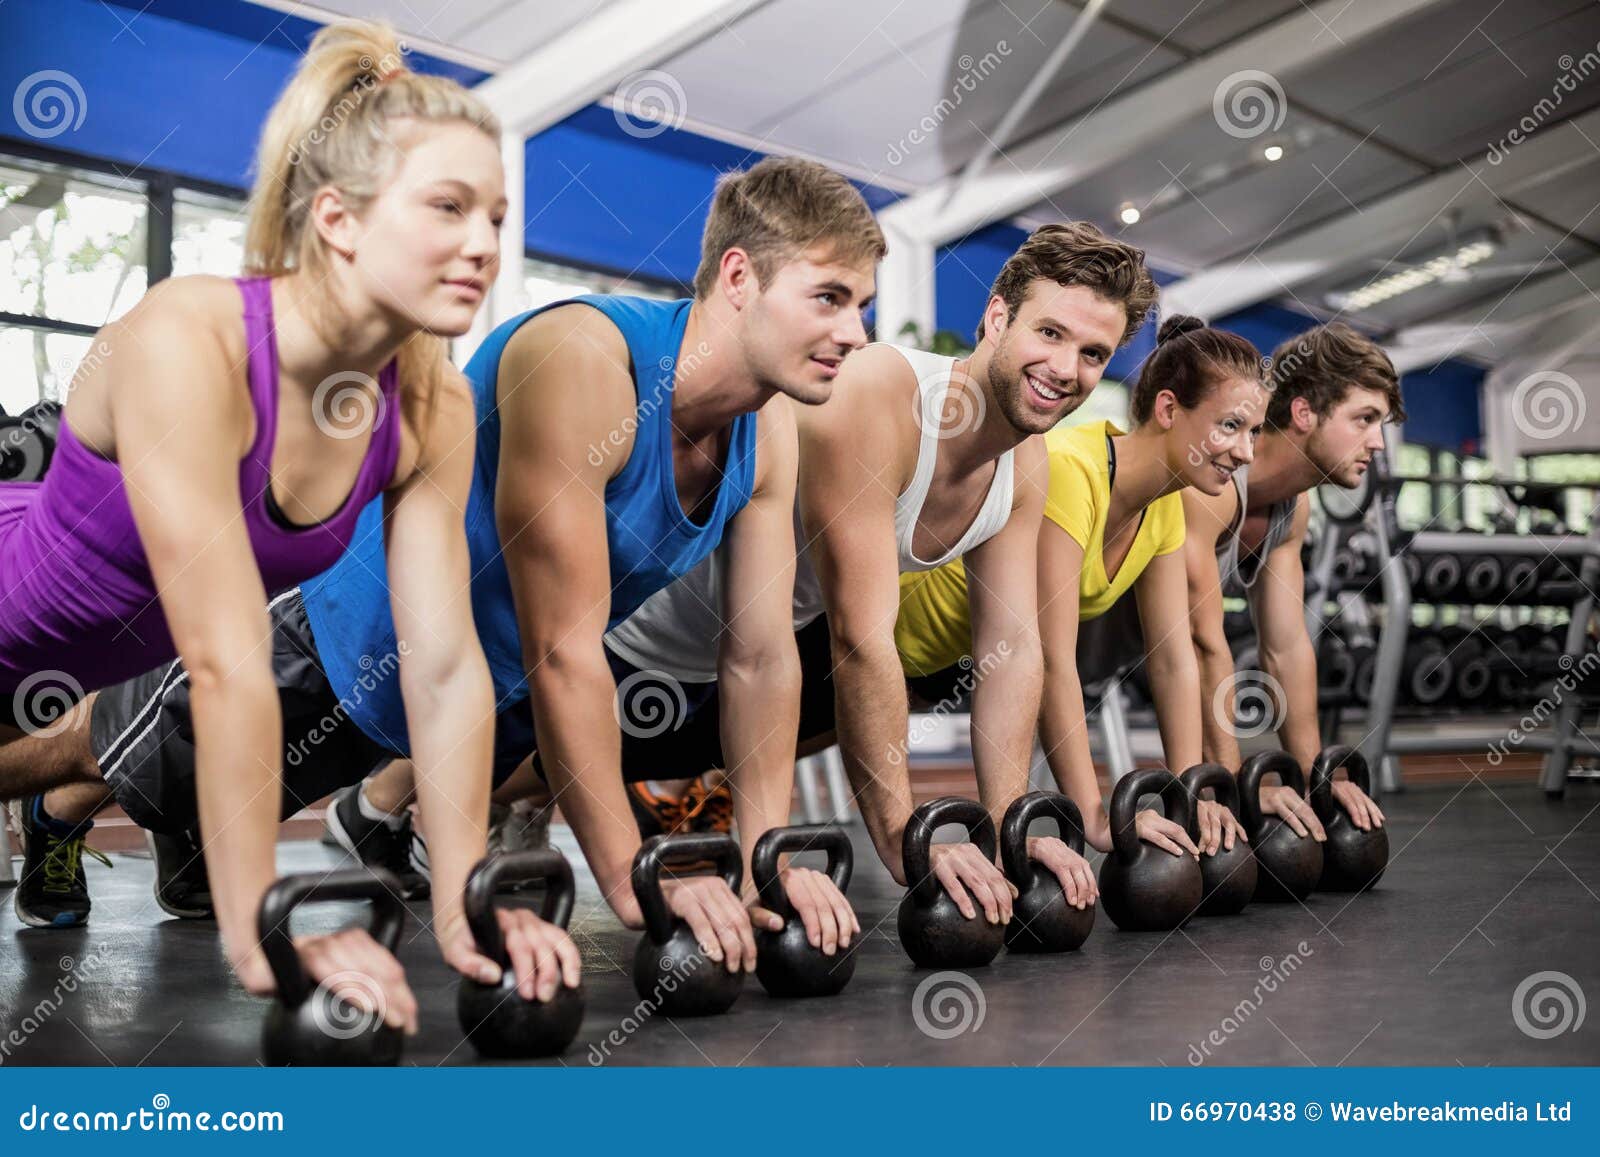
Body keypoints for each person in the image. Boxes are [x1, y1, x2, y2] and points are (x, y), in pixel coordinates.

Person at [2, 156, 882, 979]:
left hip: (465, 706)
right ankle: (51, 809)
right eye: (831, 297)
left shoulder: (766, 435)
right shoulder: (585, 362)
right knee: (90, 754)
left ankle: (123, 817)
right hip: (342, 644)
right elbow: (565, 650)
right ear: (739, 277)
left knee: (185, 800)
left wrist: (768, 861)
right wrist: (630, 879)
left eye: (864, 305)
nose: (855, 332)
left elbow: (761, 658)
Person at [0, 21, 573, 1034]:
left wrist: (463, 905)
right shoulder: (197, 338)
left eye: (494, 213)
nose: (484, 243)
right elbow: (226, 665)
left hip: (61, 669)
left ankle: (46, 816)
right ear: (338, 219)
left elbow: (441, 668)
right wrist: (262, 919)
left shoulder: (427, 408)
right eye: (447, 207)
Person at [580, 222, 1160, 926]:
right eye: (1050, 333)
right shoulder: (885, 392)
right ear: (997, 316)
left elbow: (1010, 649)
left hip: (746, 675)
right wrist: (903, 833)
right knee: (455, 776)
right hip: (630, 647)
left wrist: (1010, 828)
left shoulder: (1025, 463)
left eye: (1093, 353)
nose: (1067, 368)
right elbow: (861, 637)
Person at [893, 316, 1268, 908]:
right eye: (1230, 426)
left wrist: (1189, 790)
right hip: (886, 647)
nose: (1244, 452)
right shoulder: (1072, 469)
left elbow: (1173, 660)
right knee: (709, 758)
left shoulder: (1167, 503)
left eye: (1253, 433)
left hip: (946, 668)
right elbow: (1050, 658)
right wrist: (1097, 815)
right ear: (1169, 410)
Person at [1182, 322, 1402, 840]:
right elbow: (1199, 641)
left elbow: (1285, 647)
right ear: (1303, 412)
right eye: (1364, 419)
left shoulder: (1292, 509)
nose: (1377, 442)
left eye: (1381, 423)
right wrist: (1230, 783)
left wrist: (1316, 777)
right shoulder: (1210, 484)